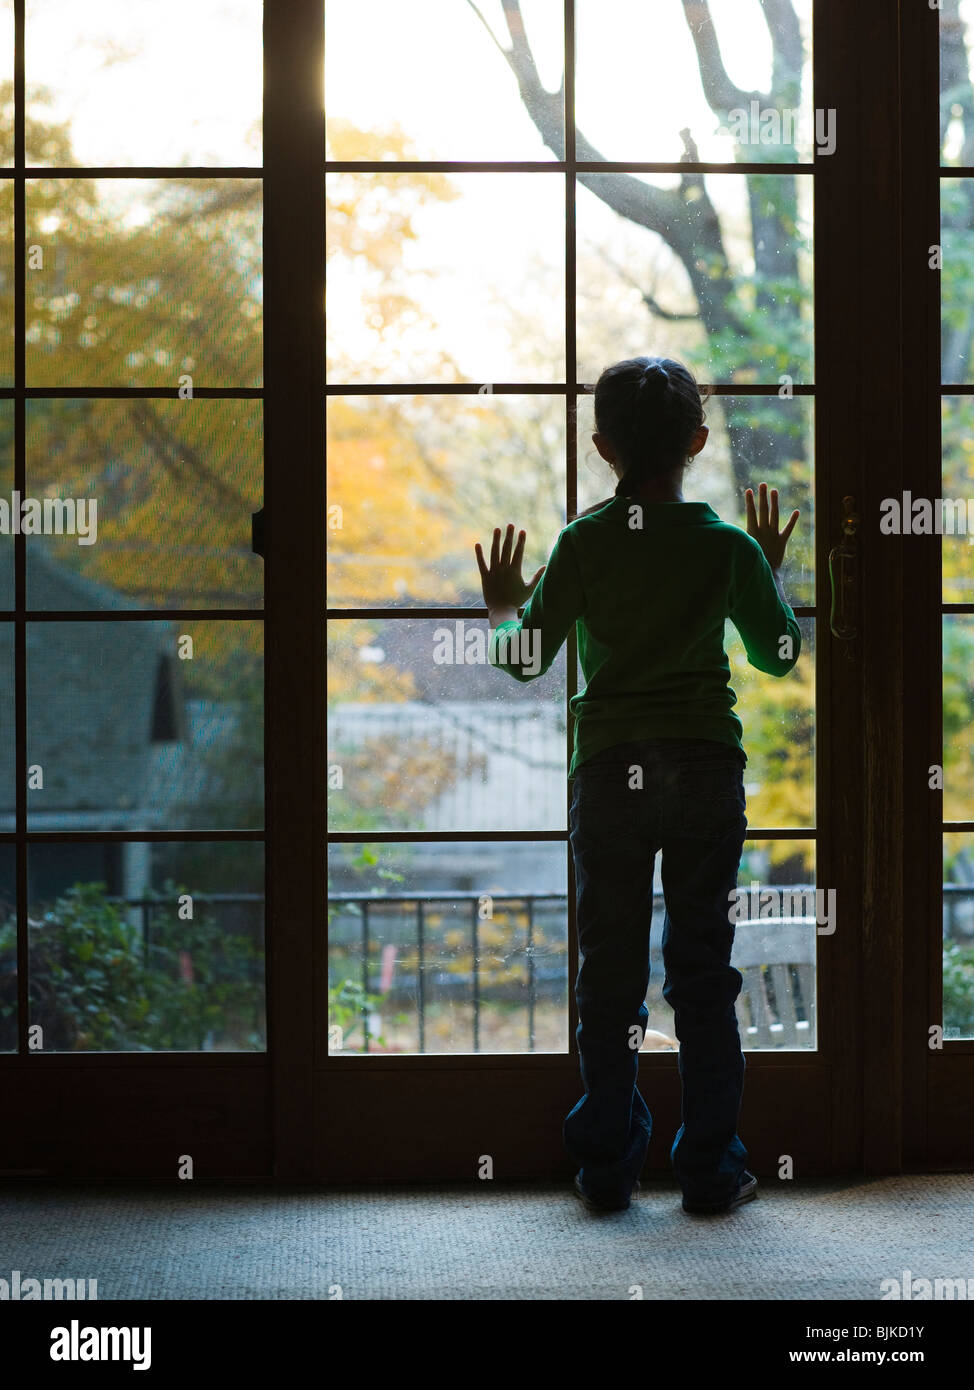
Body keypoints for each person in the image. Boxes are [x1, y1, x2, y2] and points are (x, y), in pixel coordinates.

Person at [474, 355, 801, 1215]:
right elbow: (777, 655)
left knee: (610, 974)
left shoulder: (584, 542)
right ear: (697, 441)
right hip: (703, 768)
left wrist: (505, 605)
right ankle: (710, 1170)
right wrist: (767, 569)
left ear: (602, 446)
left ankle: (609, 1166)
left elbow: (523, 662)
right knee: (703, 976)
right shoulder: (727, 546)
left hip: (610, 774)